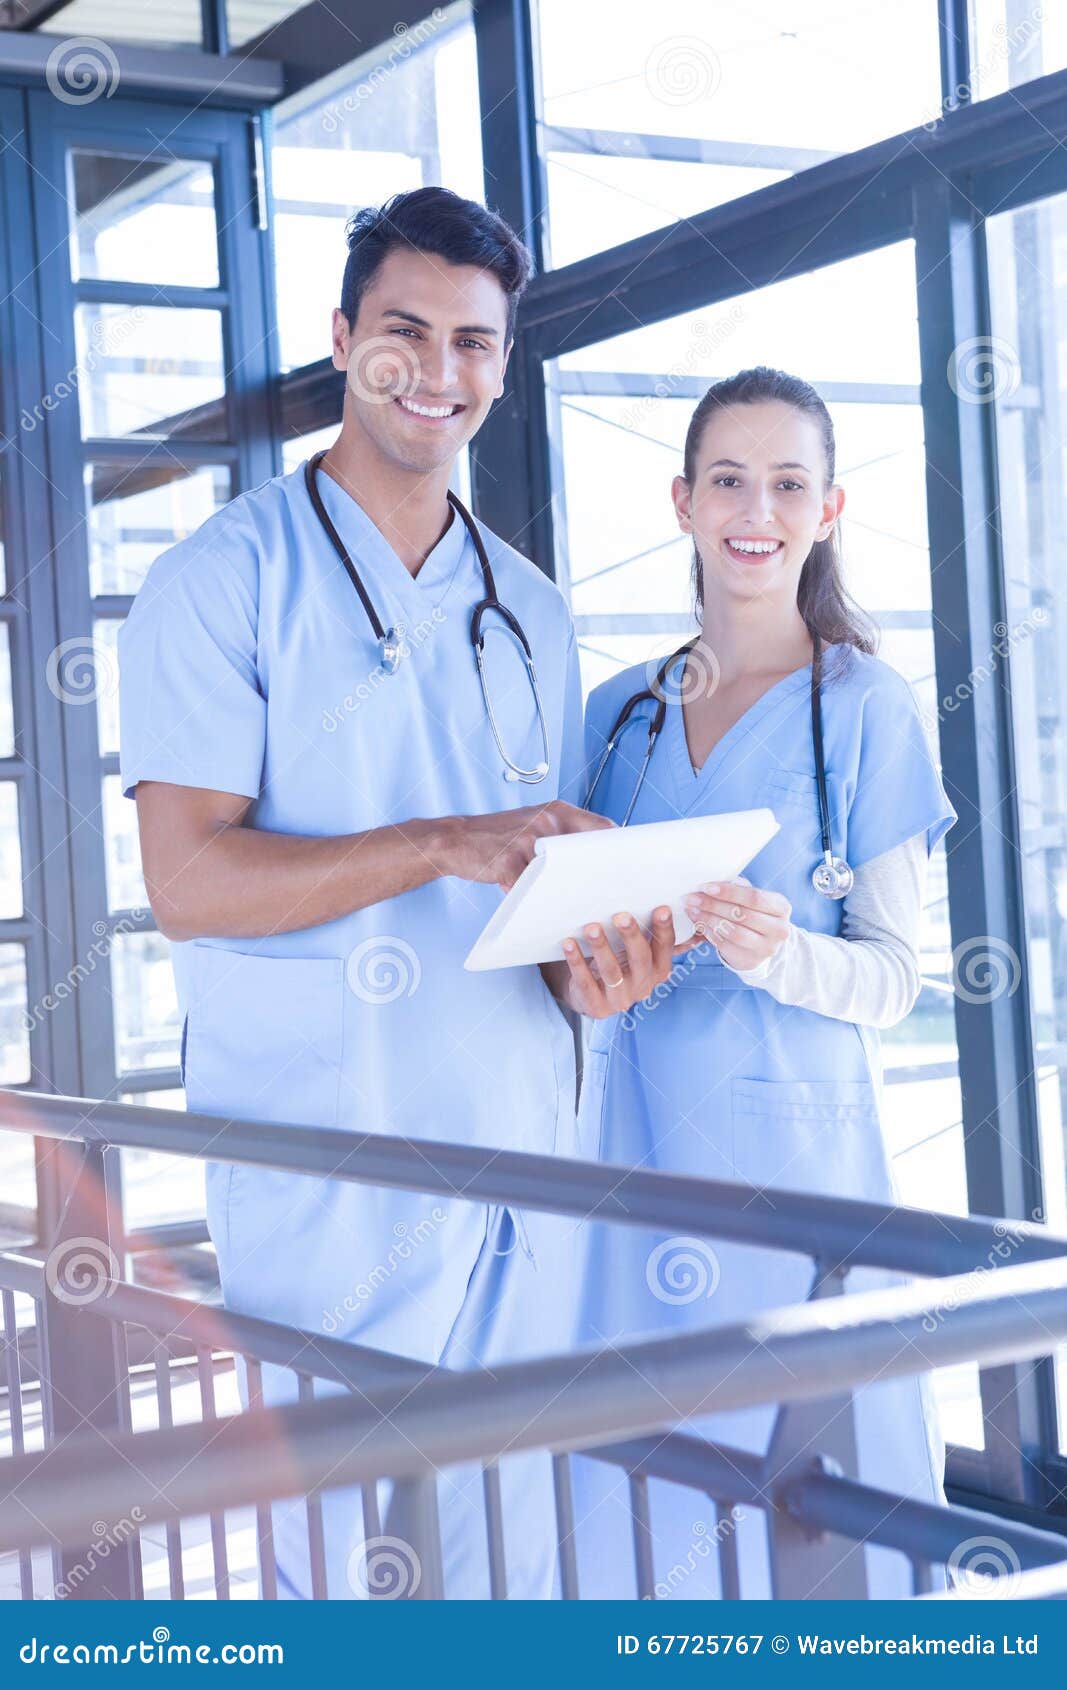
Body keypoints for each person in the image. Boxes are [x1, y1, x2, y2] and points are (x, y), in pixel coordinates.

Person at [117, 186, 675, 1600]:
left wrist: (589, 970)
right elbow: (186, 881)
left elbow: (524, 896)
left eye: (475, 342)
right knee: (366, 1575)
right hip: (335, 1176)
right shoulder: (219, 580)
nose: (440, 371)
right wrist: (432, 841)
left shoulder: (530, 607)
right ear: (341, 338)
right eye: (406, 331)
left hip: (519, 1159)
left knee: (524, 1568)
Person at [570, 365, 958, 1600]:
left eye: (788, 482)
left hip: (795, 1174)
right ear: (680, 501)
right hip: (628, 1166)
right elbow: (566, 947)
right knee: (647, 1509)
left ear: (828, 509)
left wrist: (777, 953)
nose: (756, 507)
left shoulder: (864, 708)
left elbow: (895, 977)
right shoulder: (614, 713)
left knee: (813, 1520)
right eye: (727, 479)